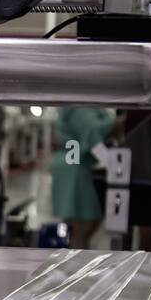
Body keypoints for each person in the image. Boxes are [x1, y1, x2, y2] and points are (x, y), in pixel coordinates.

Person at [50, 107, 115, 250]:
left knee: (82, 228)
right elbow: (92, 130)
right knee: (80, 228)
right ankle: (76, 269)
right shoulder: (79, 107)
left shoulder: (81, 104)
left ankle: (76, 266)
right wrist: (112, 163)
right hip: (76, 168)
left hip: (77, 165)